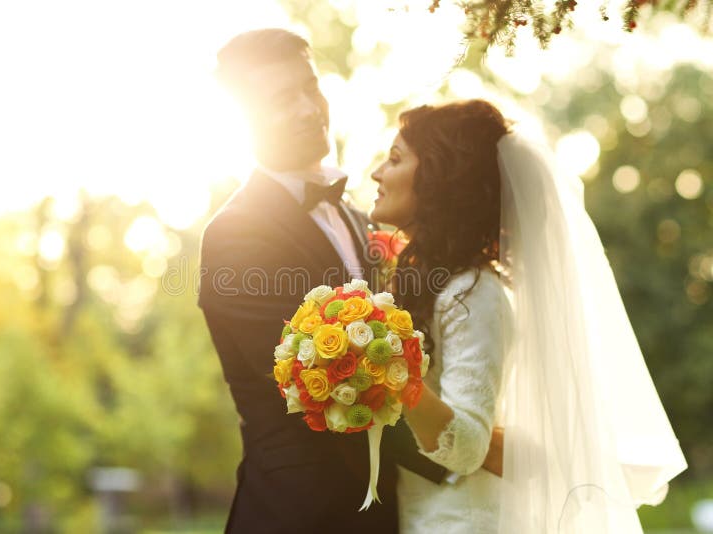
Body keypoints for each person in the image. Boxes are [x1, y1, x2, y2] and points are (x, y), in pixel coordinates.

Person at [369, 99, 687, 533]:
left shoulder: (474, 293)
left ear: (438, 178)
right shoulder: (428, 283)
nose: (377, 173)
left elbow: (465, 447)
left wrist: (391, 374)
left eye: (395, 158)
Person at [197, 28, 449, 534]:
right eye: (282, 99)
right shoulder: (234, 234)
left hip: (384, 513)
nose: (309, 109)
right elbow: (334, 389)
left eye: (310, 88)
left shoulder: (360, 218)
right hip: (296, 515)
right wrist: (463, 450)